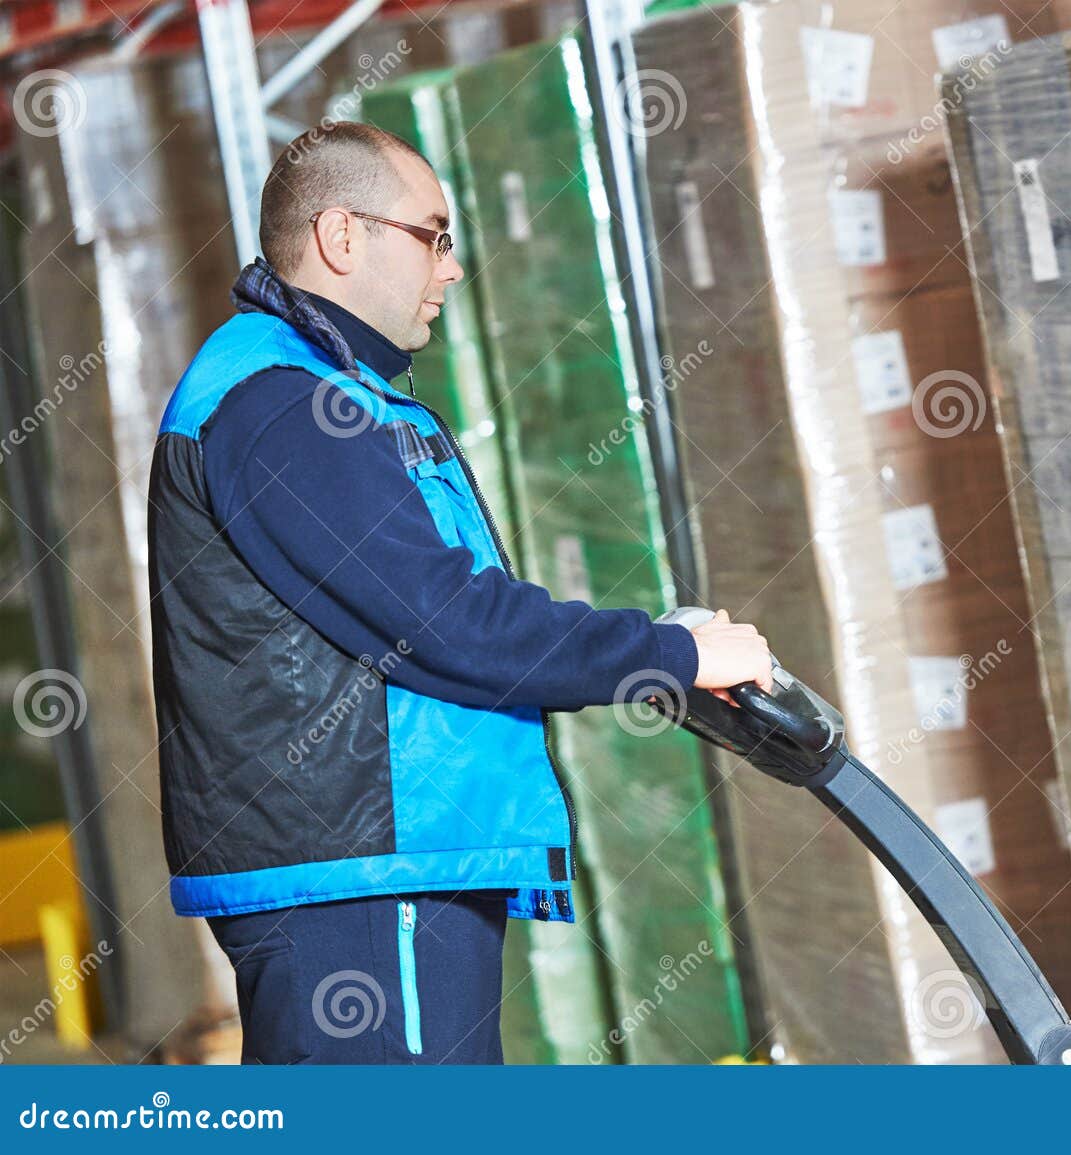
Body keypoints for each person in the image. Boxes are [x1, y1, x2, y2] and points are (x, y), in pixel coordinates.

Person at [147, 122, 771, 1064]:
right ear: (343, 237)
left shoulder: (318, 390)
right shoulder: (283, 405)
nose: (452, 266)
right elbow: (450, 623)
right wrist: (673, 656)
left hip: (373, 866)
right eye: (433, 234)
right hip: (358, 873)